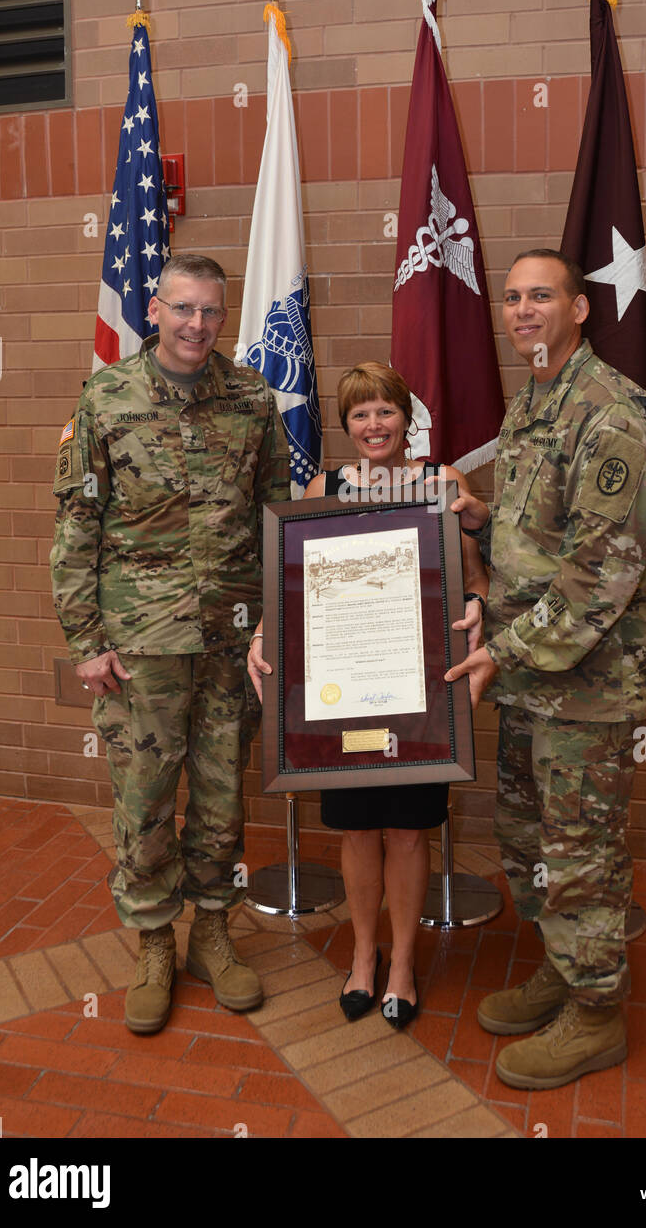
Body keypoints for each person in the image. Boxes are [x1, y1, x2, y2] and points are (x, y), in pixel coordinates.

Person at [446, 249, 646, 1089]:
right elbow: (545, 525)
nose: (522, 310)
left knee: (580, 850)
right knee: (527, 838)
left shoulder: (610, 411)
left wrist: (498, 653)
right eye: (511, 298)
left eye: (541, 295)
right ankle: (561, 966)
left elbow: (598, 576)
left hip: (586, 683)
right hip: (530, 678)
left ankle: (597, 1013)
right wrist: (483, 512)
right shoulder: (535, 400)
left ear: (580, 308)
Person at [50, 253, 290, 1034]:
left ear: (225, 318)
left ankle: (212, 932)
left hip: (230, 638)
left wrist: (278, 624)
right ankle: (155, 939)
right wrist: (85, 638)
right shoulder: (106, 397)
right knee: (146, 801)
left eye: (212, 312)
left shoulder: (252, 396)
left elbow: (276, 512)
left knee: (221, 795)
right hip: (140, 643)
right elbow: (78, 523)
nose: (197, 326)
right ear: (153, 310)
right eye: (183, 309)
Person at [249, 362, 488, 1030]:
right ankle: (363, 955)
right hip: (344, 693)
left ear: (405, 417)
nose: (374, 424)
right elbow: (295, 584)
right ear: (346, 424)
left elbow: (476, 580)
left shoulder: (441, 483)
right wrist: (267, 629)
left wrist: (475, 618)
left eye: (385, 410)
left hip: (420, 693)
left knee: (409, 831)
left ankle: (404, 965)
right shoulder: (326, 486)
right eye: (360, 413)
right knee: (356, 828)